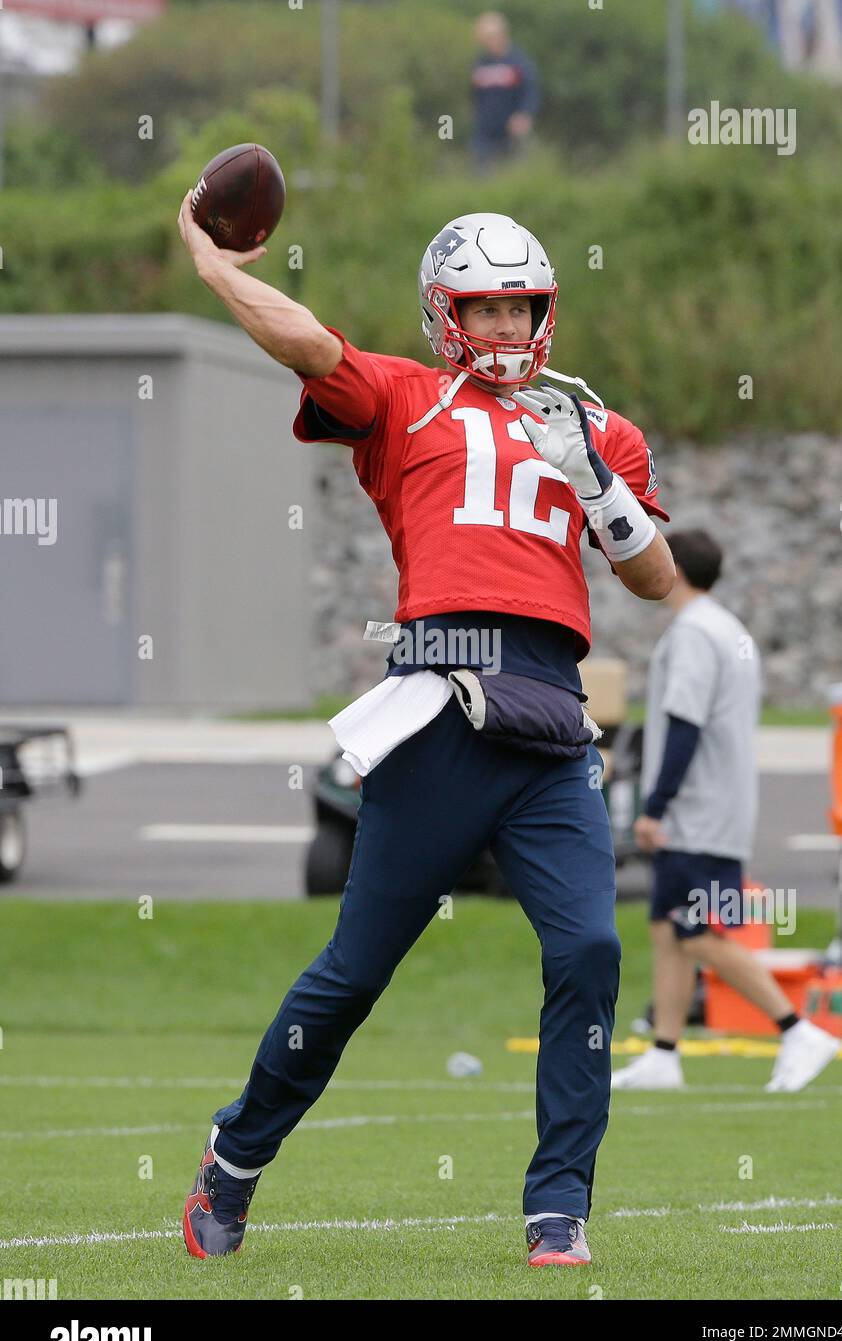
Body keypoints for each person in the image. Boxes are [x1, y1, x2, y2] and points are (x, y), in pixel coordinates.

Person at [176, 196, 674, 1266]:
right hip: (440, 704)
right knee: (355, 970)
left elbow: (653, 577)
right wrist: (218, 269)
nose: (504, 329)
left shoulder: (599, 428)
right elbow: (306, 341)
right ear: (446, 315)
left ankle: (557, 1206)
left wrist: (597, 485)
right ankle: (236, 1155)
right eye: (484, 310)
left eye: (520, 308)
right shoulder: (407, 399)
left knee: (588, 947)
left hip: (548, 722)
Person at [615, 529, 842, 1092]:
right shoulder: (727, 628)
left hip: (697, 810)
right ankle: (664, 1054)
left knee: (694, 932)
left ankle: (798, 1030)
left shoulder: (694, 633)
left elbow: (686, 723)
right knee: (667, 927)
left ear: (675, 567)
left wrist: (656, 804)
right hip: (718, 804)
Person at [471, 12, 539, 171]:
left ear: (502, 34)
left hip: (511, 130)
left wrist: (524, 114)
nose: (488, 42)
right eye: (484, 38)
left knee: (513, 172)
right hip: (485, 131)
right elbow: (475, 95)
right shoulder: (480, 63)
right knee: (482, 174)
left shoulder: (519, 62)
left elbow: (530, 92)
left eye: (491, 36)